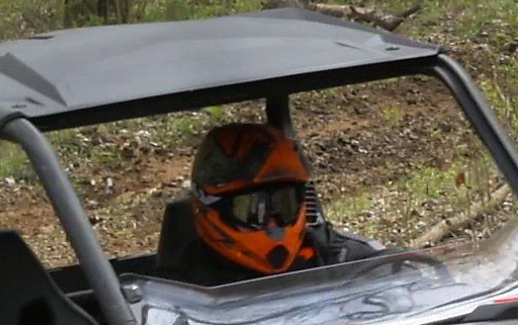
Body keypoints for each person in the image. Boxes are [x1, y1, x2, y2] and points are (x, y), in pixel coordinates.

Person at [157, 122, 379, 287]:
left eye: (285, 205)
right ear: (213, 207)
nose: (274, 225)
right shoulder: (179, 288)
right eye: (254, 210)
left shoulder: (341, 259)